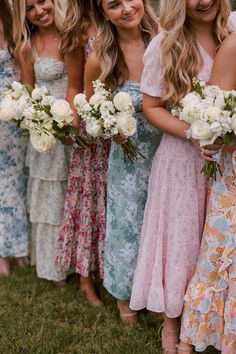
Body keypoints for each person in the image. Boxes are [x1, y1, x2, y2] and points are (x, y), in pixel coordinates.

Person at [129, 0, 236, 351]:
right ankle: (172, 325)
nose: (204, 1)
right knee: (182, 244)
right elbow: (151, 107)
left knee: (214, 247)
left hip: (225, 165)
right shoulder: (166, 44)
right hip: (181, 160)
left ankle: (209, 320)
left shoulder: (230, 34)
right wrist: (195, 132)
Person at [85, 0, 160, 323]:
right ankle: (125, 297)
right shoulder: (102, 57)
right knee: (127, 226)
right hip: (128, 160)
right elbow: (89, 110)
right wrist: (107, 128)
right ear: (104, 13)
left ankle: (158, 292)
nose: (127, 8)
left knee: (161, 225)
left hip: (168, 151)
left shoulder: (166, 41)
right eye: (114, 5)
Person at [179, 31, 236, 354]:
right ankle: (189, 341)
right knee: (216, 257)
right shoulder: (235, 45)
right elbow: (217, 120)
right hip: (234, 176)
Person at [56, 0, 110, 307]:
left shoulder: (124, 14)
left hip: (128, 124)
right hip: (92, 130)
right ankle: (86, 279)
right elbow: (74, 86)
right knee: (89, 202)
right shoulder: (76, 31)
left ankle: (114, 271)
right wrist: (73, 124)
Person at [13, 0, 70, 286]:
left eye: (42, 2)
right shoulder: (28, 47)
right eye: (30, 8)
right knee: (51, 199)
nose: (39, 11)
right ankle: (54, 265)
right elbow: (26, 91)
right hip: (47, 136)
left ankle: (77, 260)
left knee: (74, 194)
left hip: (75, 129)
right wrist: (36, 119)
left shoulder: (74, 33)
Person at [0, 0, 28, 277]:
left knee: (16, 180)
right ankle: (2, 251)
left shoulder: (14, 24)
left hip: (13, 114)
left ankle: (20, 247)